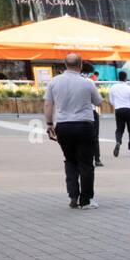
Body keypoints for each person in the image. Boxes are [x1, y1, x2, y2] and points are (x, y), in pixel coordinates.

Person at [43, 53, 103, 209]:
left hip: (63, 126)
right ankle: (86, 200)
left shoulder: (54, 82)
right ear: (81, 65)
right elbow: (99, 102)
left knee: (70, 160)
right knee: (86, 163)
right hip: (84, 125)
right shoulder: (88, 83)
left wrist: (49, 124)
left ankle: (73, 195)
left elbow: (48, 105)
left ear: (64, 64)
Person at [108, 71, 130, 158]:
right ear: (125, 78)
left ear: (118, 77)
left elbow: (111, 100)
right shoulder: (129, 88)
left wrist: (116, 105)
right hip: (129, 110)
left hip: (119, 110)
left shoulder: (113, 87)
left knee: (119, 129)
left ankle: (118, 141)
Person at [88, 68, 104, 167]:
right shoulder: (90, 82)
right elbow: (98, 102)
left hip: (74, 115)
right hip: (90, 112)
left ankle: (83, 159)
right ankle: (97, 159)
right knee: (94, 137)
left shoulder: (65, 81)